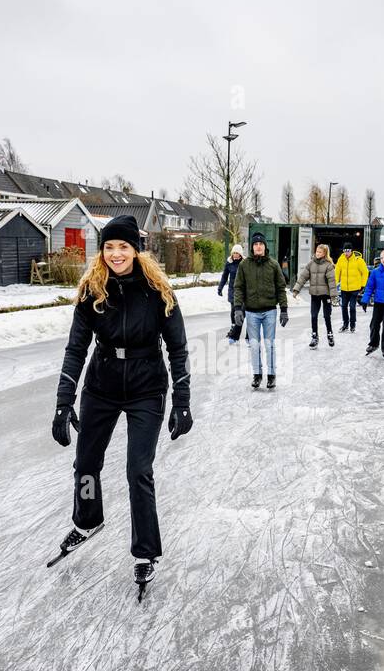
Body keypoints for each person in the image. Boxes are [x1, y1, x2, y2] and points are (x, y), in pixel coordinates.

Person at [52, 214, 191, 598]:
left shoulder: (158, 291)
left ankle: (145, 553)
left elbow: (178, 349)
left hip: (147, 388)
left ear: (136, 250)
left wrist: (182, 401)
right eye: (109, 247)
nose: (115, 254)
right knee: (85, 464)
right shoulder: (91, 291)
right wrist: (64, 401)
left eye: (123, 247)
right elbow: (76, 349)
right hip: (102, 386)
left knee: (138, 471)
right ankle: (87, 520)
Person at [234, 231, 288, 389]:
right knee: (255, 344)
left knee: (269, 344)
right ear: (252, 247)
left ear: (265, 246)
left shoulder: (273, 264)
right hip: (251, 312)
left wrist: (283, 309)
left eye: (261, 244)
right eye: (255, 244)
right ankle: (257, 375)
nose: (258, 247)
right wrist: (238, 309)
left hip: (270, 311)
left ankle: (271, 376)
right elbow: (238, 287)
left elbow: (281, 288)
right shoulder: (244, 265)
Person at [291, 243, 339, 348]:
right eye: (317, 251)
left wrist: (334, 296)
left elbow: (332, 282)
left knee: (327, 316)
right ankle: (314, 336)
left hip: (326, 295)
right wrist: (296, 290)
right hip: (315, 295)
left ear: (324, 253)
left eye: (320, 252)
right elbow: (303, 277)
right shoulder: (310, 264)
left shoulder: (328, 265)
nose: (317, 253)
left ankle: (330, 334)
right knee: (313, 316)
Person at [335, 244, 369, 333]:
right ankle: (345, 324)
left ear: (351, 251)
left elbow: (365, 272)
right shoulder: (341, 259)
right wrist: (334, 284)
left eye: (348, 251)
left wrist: (362, 285)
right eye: (345, 251)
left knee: (352, 307)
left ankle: (352, 325)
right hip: (344, 288)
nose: (346, 253)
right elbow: (337, 272)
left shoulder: (358, 260)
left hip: (355, 288)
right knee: (343, 306)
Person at [217, 245, 244, 344]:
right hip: (233, 290)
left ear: (240, 254)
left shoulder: (244, 263)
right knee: (234, 310)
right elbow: (224, 277)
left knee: (242, 312)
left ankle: (242, 334)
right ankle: (233, 326)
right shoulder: (229, 263)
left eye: (237, 253)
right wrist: (220, 288)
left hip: (243, 291)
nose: (236, 255)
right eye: (234, 253)